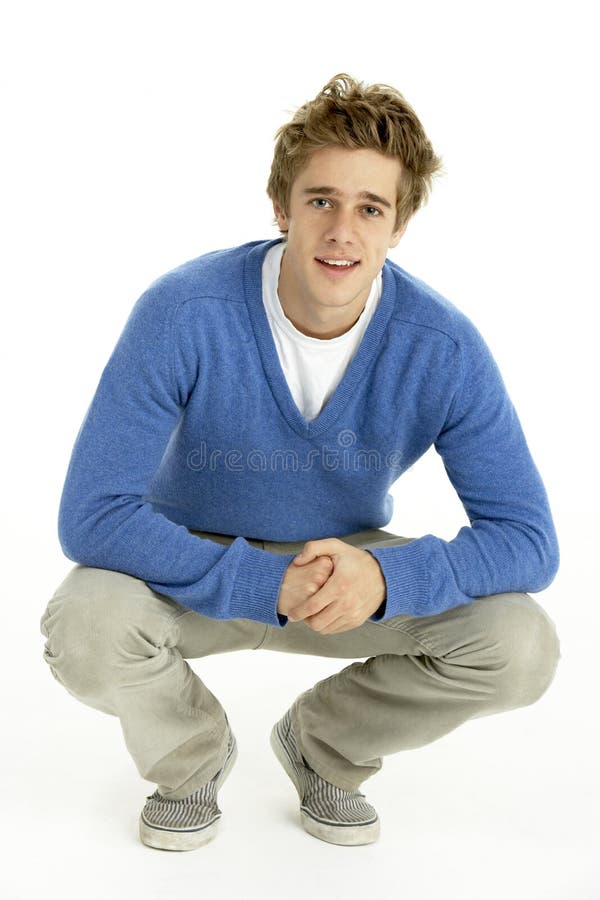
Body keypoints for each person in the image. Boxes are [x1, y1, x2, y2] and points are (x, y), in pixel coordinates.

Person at [40, 73, 561, 851]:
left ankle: (324, 746)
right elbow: (92, 515)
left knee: (523, 645)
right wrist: (259, 582)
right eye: (320, 201)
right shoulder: (184, 312)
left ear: (400, 225)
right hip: (193, 567)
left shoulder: (443, 348)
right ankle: (192, 760)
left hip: (342, 574)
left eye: (370, 208)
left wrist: (388, 578)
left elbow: (529, 539)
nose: (342, 230)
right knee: (84, 625)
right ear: (281, 207)